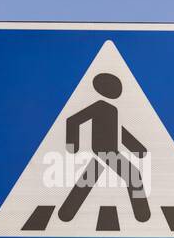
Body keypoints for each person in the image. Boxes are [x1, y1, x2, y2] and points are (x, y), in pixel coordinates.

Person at [57, 73, 151, 223]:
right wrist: (72, 145)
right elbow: (73, 121)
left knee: (88, 179)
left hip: (109, 151)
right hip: (105, 151)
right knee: (133, 175)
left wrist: (138, 149)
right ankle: (142, 214)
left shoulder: (112, 109)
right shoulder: (99, 106)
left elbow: (119, 132)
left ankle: (66, 213)